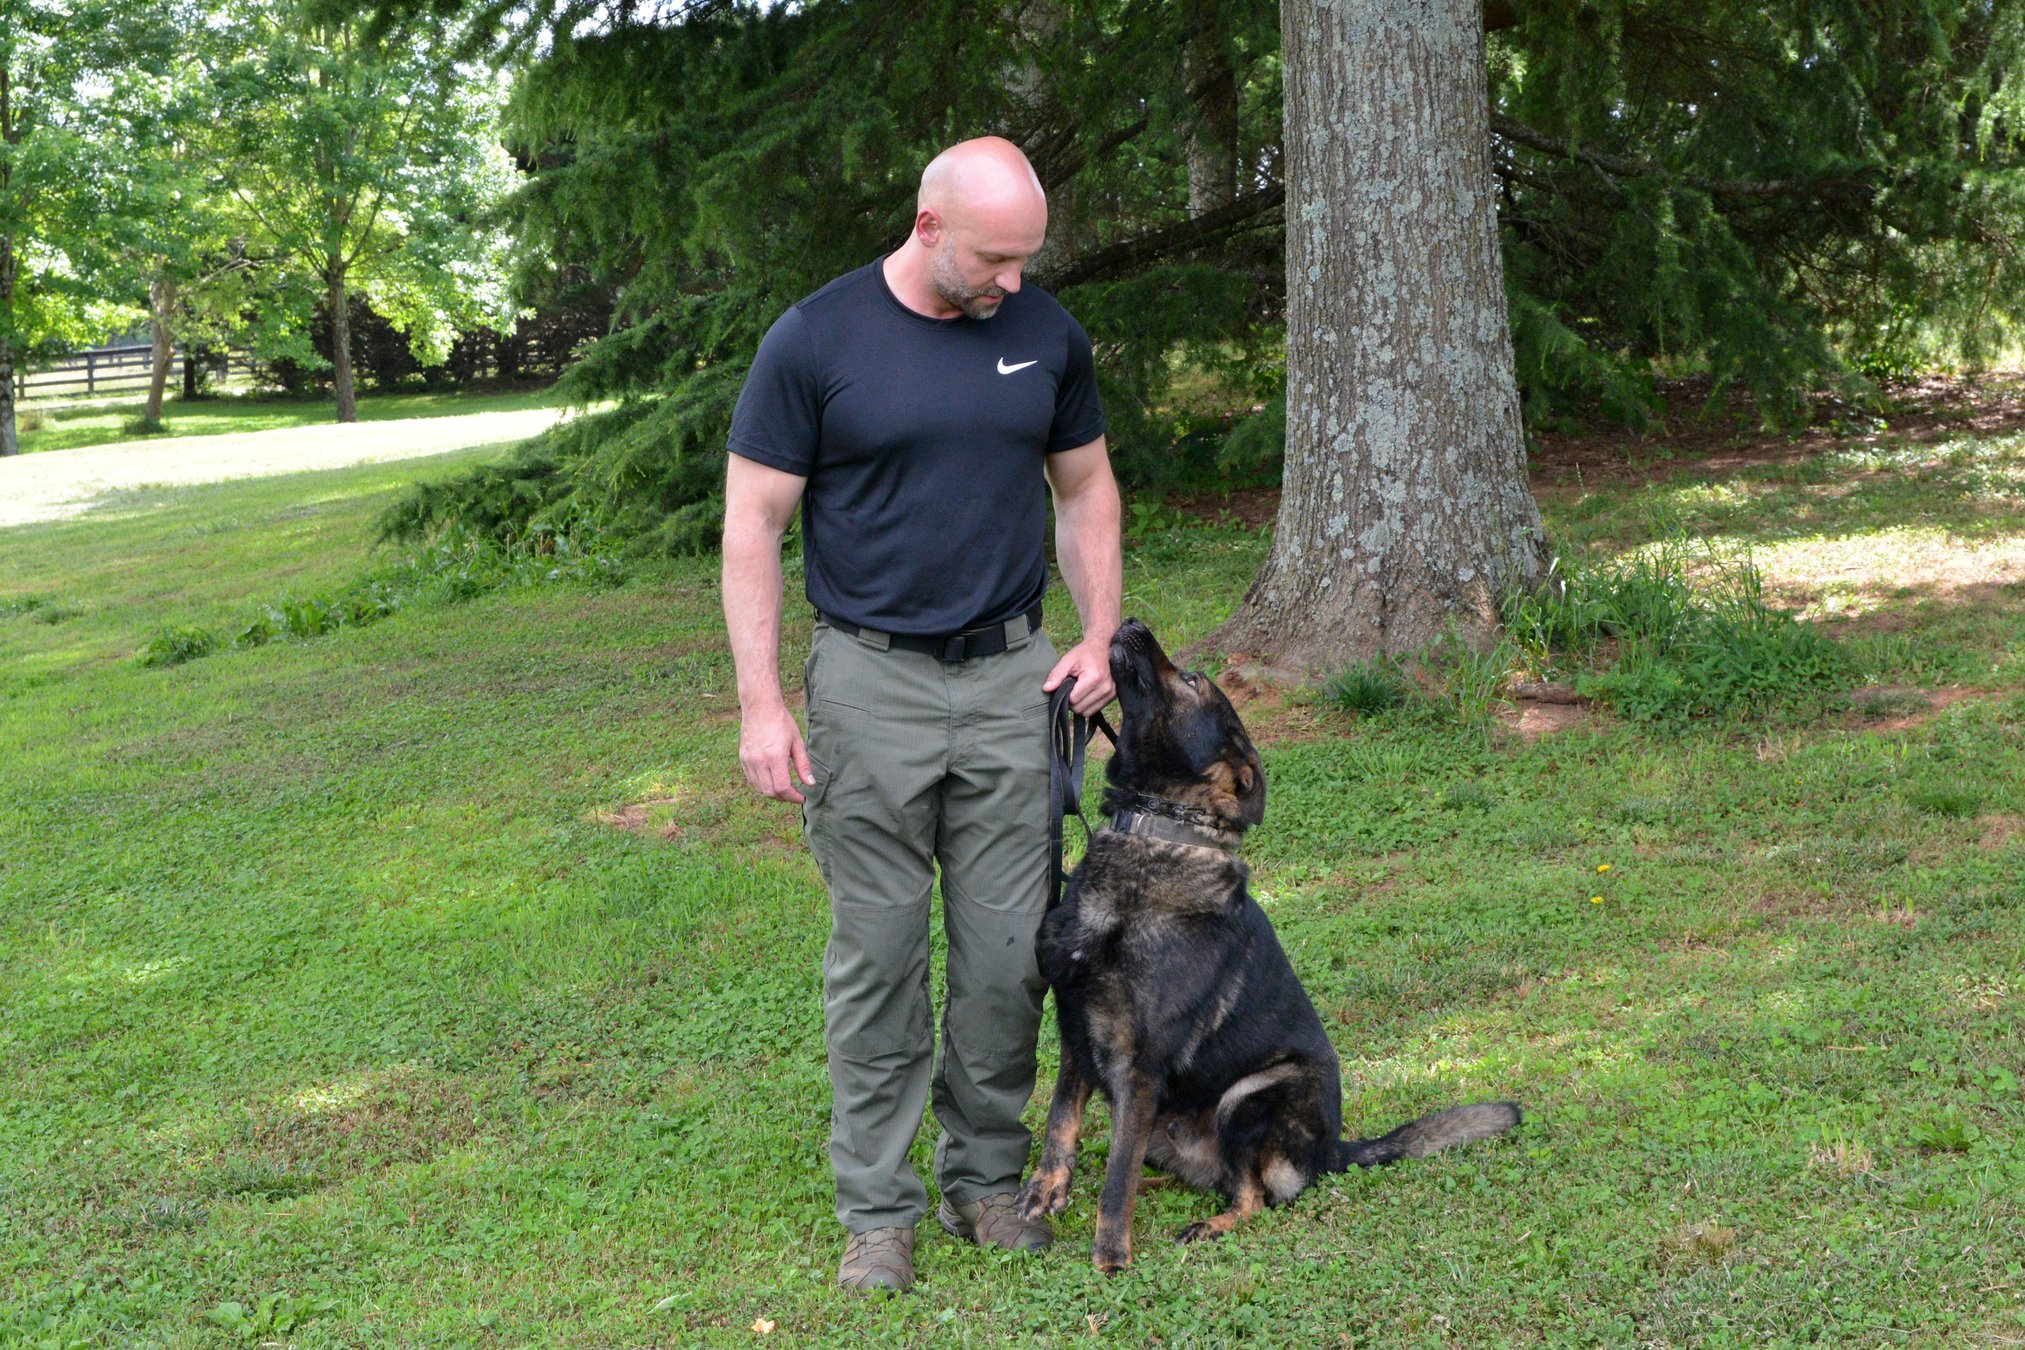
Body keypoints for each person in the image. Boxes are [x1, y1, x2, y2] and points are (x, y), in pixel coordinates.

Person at [722, 135, 1122, 1293]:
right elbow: (753, 523)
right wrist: (760, 702)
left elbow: (1086, 485)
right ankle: (878, 1212)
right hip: (870, 685)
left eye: (1028, 260)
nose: (1014, 282)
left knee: (1009, 959)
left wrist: (1096, 636)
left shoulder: (1045, 334)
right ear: (930, 225)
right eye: (996, 258)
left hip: (1012, 682)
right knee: (880, 958)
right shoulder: (817, 340)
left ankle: (986, 1184)